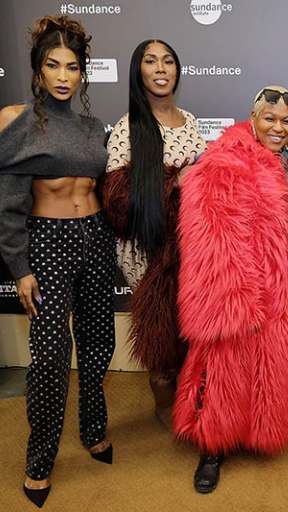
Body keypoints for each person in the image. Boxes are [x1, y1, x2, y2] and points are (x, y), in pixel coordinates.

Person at [0, 15, 114, 508]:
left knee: (99, 342)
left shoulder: (95, 127)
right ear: (37, 69)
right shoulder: (17, 119)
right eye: (52, 65)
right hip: (47, 244)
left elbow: (107, 189)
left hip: (96, 238)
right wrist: (19, 266)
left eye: (72, 67)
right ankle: (40, 459)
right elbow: (8, 201)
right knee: (50, 357)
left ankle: (94, 428)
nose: (62, 75)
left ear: (82, 74)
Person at [173, 86, 288, 493]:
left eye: (287, 121)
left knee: (265, 367)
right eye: (269, 118)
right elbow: (209, 232)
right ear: (252, 117)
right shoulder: (226, 158)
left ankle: (253, 431)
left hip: (278, 283)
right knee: (222, 369)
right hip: (238, 288)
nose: (278, 127)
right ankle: (211, 449)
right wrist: (236, 294)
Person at [101, 40, 206, 429]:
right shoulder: (129, 126)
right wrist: (173, 179)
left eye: (168, 61)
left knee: (193, 323)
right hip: (146, 245)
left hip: (190, 242)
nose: (161, 68)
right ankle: (165, 404)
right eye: (150, 61)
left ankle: (193, 395)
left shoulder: (191, 120)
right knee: (159, 328)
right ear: (138, 71)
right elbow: (116, 198)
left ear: (177, 70)